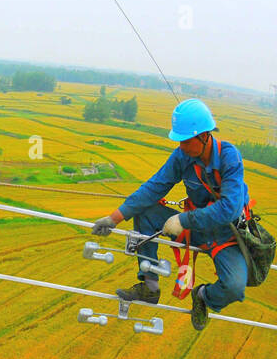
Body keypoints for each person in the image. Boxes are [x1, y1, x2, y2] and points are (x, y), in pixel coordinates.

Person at [93, 98, 250, 330]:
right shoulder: (182, 156)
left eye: (185, 141)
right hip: (195, 230)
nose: (181, 146)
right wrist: (115, 217)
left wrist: (183, 219)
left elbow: (229, 208)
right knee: (146, 210)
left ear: (204, 136)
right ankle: (149, 287)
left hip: (226, 237)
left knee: (235, 287)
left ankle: (204, 297)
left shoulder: (230, 158)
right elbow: (154, 187)